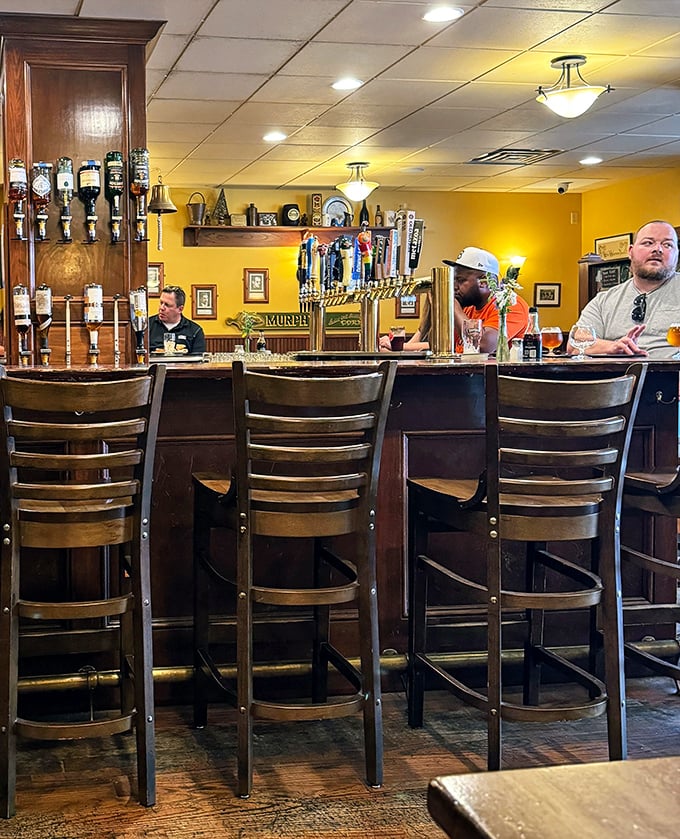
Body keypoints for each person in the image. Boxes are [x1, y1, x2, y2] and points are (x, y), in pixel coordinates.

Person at [379, 246, 529, 354]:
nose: (454, 286)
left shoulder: (509, 304)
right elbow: (442, 343)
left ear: (484, 282)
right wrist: (397, 348)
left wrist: (451, 303)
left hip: (495, 385)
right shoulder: (469, 308)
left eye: (460, 280)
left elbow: (483, 345)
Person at [569, 220, 680, 359]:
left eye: (668, 245)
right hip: (616, 378)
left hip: (672, 377)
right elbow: (574, 345)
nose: (658, 249)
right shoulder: (604, 301)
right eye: (648, 243)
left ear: (677, 254)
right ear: (630, 251)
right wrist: (613, 347)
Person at [149, 284, 206, 354]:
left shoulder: (195, 331)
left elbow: (199, 361)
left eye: (167, 305)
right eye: (161, 303)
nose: (161, 308)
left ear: (180, 309)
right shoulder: (148, 326)